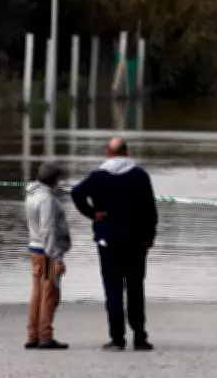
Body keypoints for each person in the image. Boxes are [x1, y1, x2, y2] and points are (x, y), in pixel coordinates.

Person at [71, 138, 158, 351]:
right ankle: (140, 336)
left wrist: (91, 214)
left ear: (107, 152)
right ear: (126, 152)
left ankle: (117, 338)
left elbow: (76, 193)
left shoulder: (98, 177)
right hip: (136, 241)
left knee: (113, 290)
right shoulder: (140, 176)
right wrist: (150, 237)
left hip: (108, 240)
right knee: (136, 288)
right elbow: (150, 209)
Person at [25, 162, 71, 350]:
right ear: (54, 179)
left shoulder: (32, 194)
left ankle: (33, 335)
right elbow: (48, 229)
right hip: (47, 252)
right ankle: (45, 335)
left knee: (37, 294)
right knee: (50, 295)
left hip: (35, 249)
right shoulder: (47, 200)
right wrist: (56, 257)